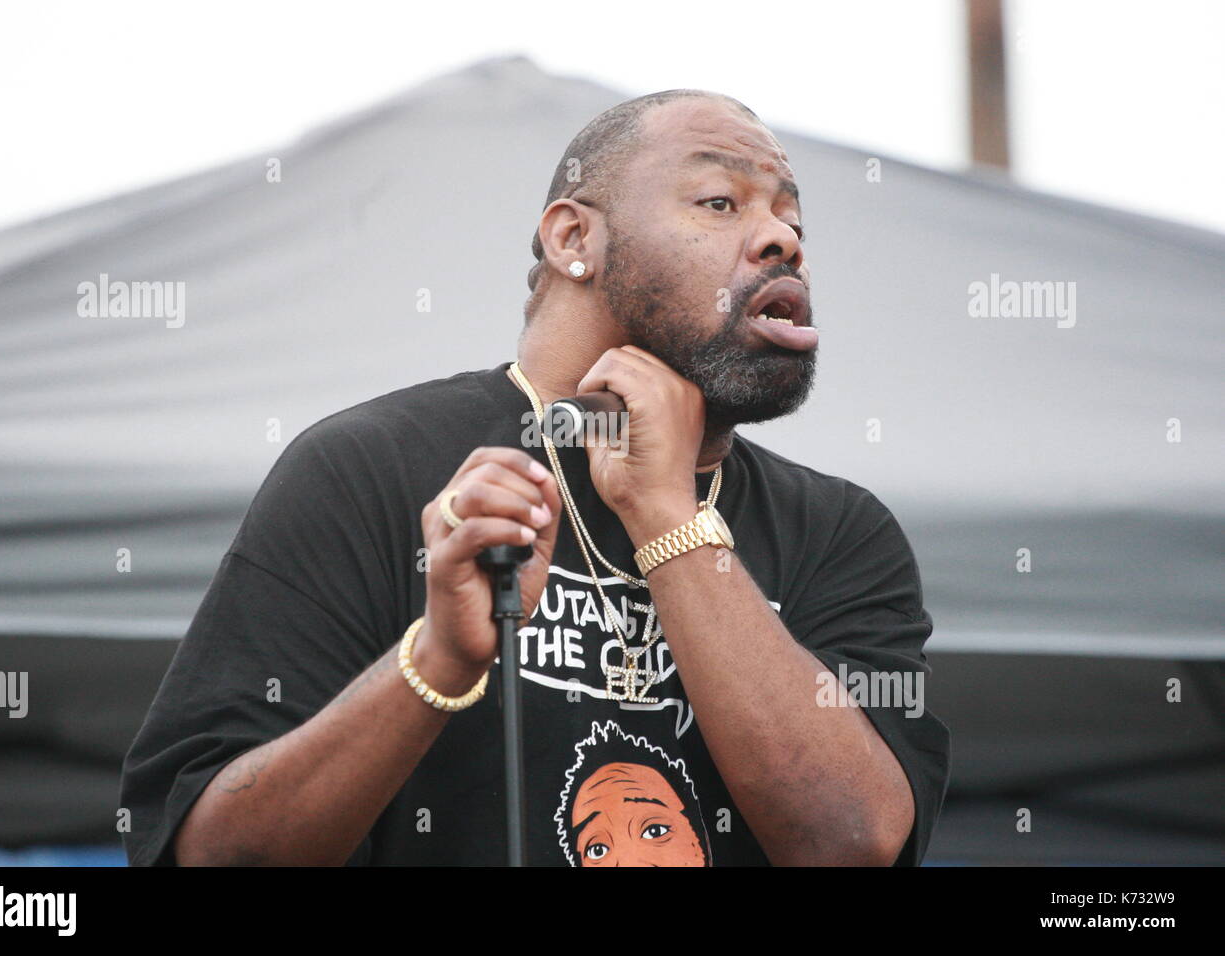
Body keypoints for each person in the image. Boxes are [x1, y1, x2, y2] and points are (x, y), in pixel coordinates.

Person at [120, 89, 951, 866]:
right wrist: (436, 662)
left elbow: (851, 841)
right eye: (720, 204)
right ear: (573, 240)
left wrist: (669, 519)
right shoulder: (371, 469)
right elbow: (209, 847)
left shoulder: (839, 532)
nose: (783, 240)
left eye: (790, 217)